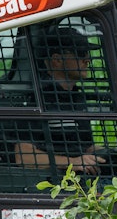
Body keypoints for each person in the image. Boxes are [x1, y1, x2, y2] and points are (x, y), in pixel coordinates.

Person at [11, 26, 107, 175]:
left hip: (81, 179)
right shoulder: (37, 98)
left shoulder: (76, 97)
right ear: (57, 60)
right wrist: (73, 163)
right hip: (52, 183)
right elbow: (24, 156)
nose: (87, 59)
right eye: (80, 53)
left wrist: (110, 153)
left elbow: (85, 147)